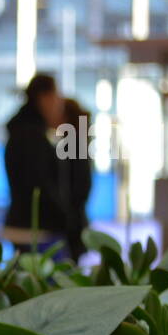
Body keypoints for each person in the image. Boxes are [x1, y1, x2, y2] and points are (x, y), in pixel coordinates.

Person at [3, 73, 69, 255]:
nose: (58, 103)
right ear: (44, 98)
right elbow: (39, 184)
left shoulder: (20, 132)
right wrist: (64, 217)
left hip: (24, 224)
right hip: (36, 229)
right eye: (56, 96)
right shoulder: (32, 136)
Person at [58, 97, 94, 259]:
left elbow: (81, 187)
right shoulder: (77, 144)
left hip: (71, 224)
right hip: (75, 221)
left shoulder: (73, 146)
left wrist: (67, 214)